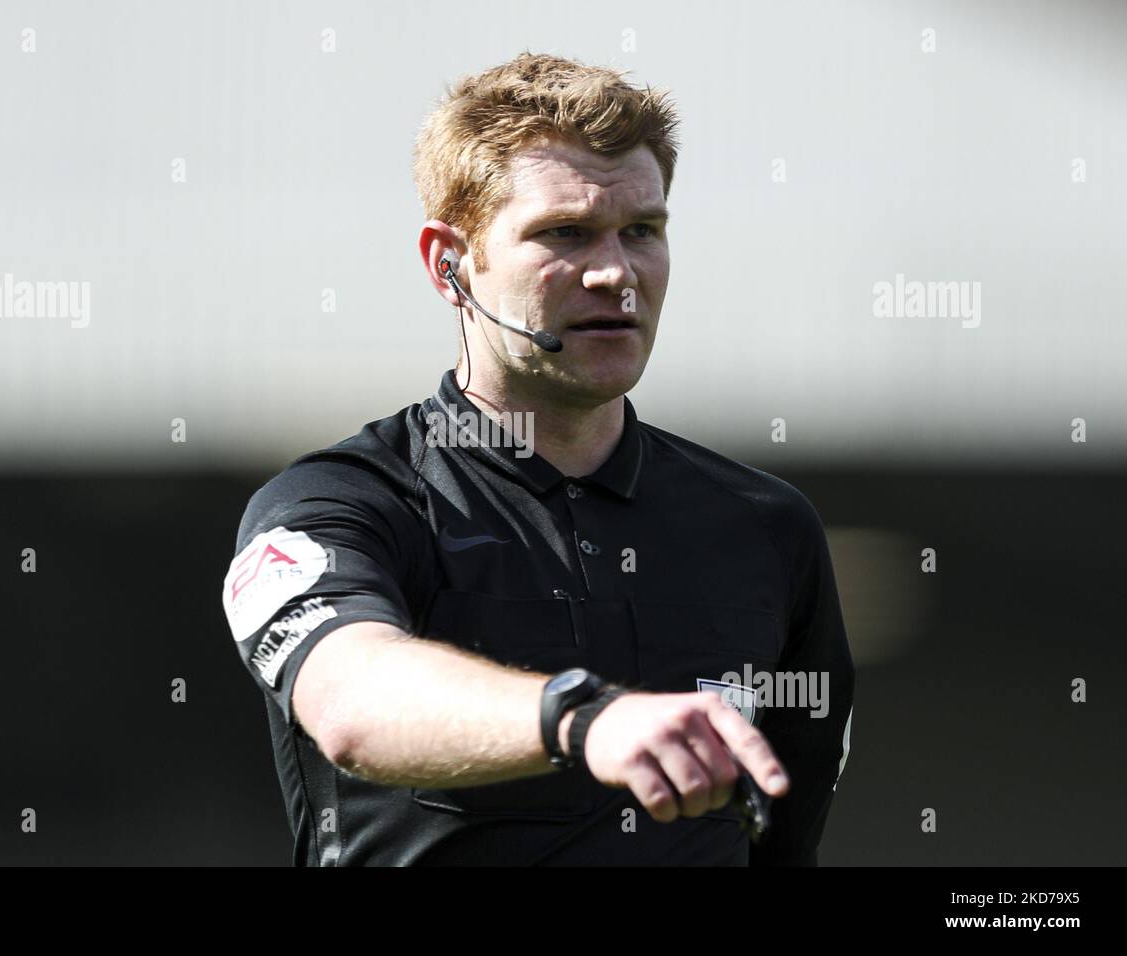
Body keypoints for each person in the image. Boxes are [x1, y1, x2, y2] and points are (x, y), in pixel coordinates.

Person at [221, 51, 854, 866]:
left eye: (643, 232)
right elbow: (353, 701)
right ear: (448, 265)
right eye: (565, 233)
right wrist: (583, 719)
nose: (616, 274)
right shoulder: (335, 504)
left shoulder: (768, 528)